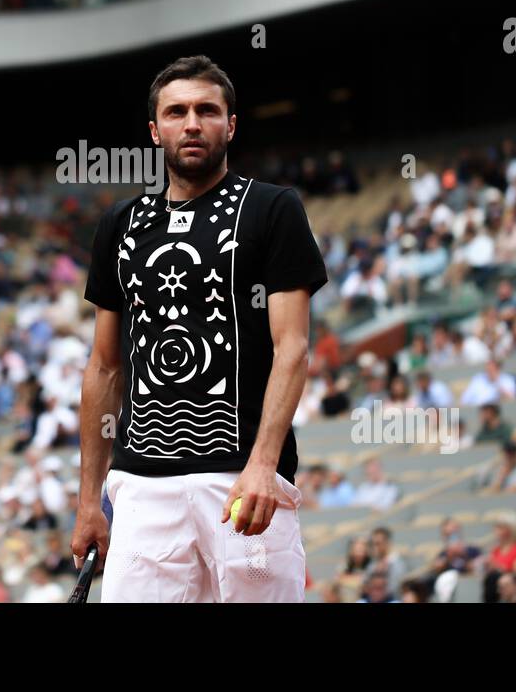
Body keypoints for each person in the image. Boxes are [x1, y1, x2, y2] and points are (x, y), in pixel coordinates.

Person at [74, 57, 327, 603]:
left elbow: (294, 347)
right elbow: (104, 366)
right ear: (154, 130)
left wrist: (263, 464)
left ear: (230, 125)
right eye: (177, 112)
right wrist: (89, 500)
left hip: (242, 481)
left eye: (207, 111)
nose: (192, 123)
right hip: (141, 487)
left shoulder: (272, 208)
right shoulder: (119, 225)